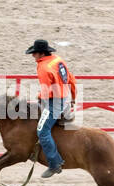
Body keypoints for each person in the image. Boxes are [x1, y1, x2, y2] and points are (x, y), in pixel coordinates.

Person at [26, 38, 77, 178]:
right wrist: (73, 97)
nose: (33, 55)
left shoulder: (43, 68)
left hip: (55, 101)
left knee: (42, 131)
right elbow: (71, 79)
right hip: (65, 97)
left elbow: (47, 91)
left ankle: (54, 163)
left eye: (34, 53)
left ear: (41, 53)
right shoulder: (58, 60)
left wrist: (40, 96)